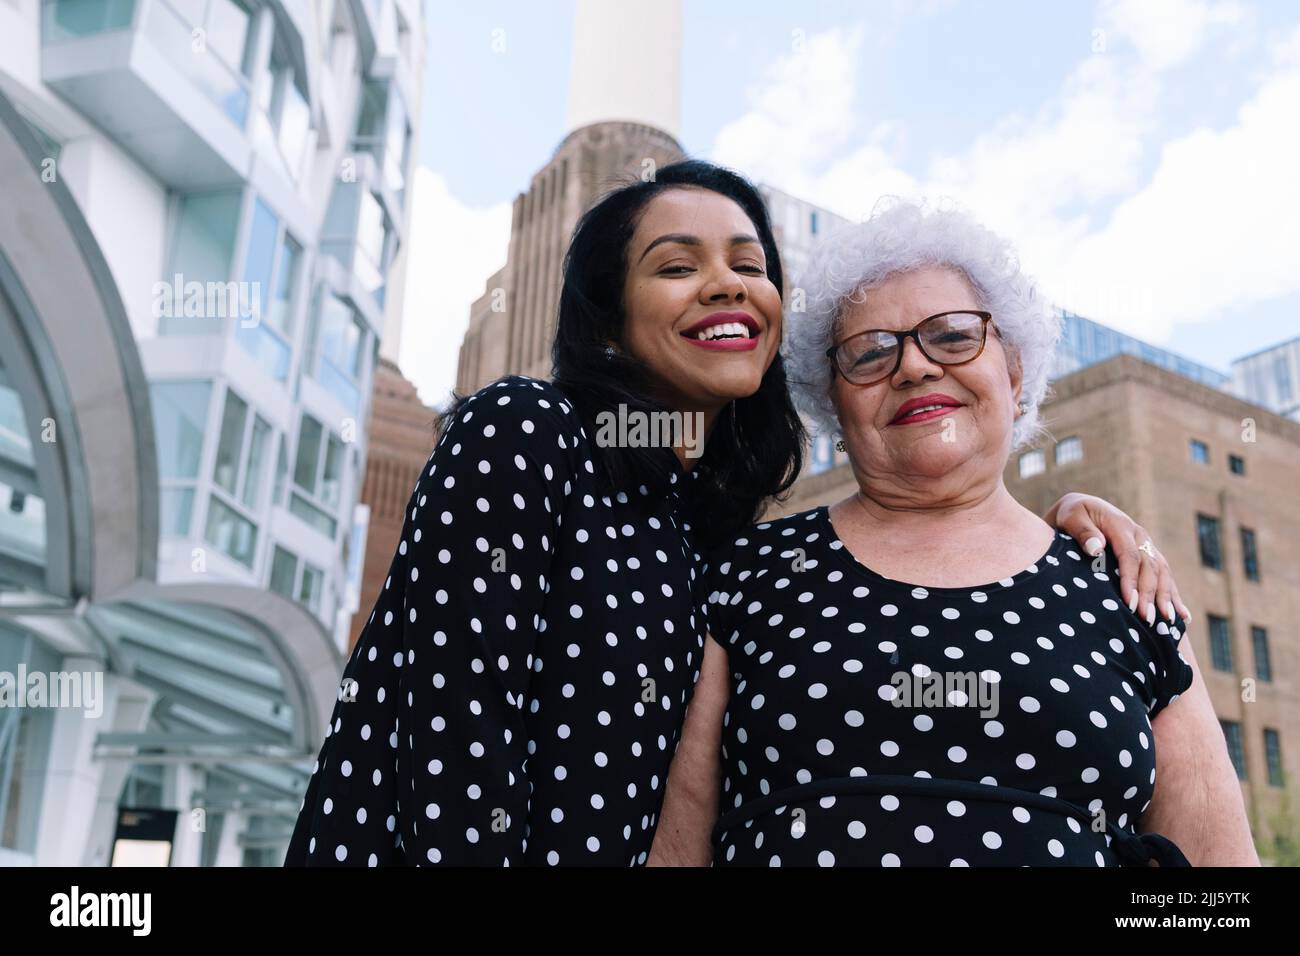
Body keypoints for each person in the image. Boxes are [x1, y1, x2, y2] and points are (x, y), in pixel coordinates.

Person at [285, 166, 1192, 865]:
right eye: (677, 266)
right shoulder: (529, 431)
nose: (726, 284)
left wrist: (1072, 514)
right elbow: (453, 745)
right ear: (608, 323)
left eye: (748, 264)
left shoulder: (708, 531)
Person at [649, 198, 1256, 867]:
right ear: (834, 401)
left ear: (1015, 370)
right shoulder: (747, 574)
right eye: (870, 352)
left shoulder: (1122, 585)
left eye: (953, 335)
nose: (914, 367)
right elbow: (677, 843)